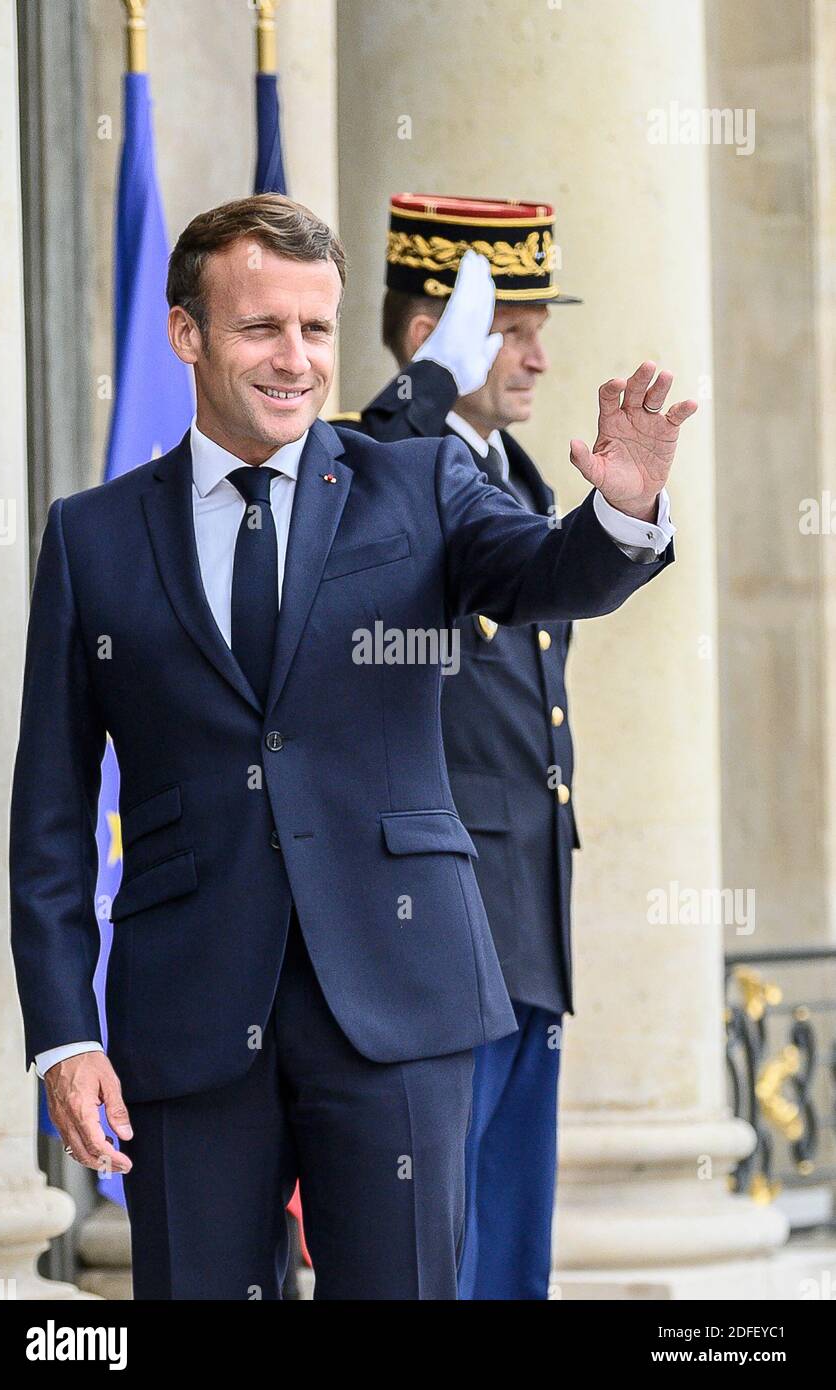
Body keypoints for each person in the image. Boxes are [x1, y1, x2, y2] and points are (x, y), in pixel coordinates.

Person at [9, 192, 695, 1301]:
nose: (295, 359)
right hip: (185, 1023)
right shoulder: (90, 536)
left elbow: (542, 573)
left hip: (398, 1001)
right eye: (259, 327)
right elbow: (49, 812)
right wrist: (61, 1037)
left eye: (316, 330)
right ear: (186, 334)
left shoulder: (415, 482)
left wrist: (617, 517)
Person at [328, 193, 676, 1299]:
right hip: (431, 928)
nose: (534, 355)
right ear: (435, 334)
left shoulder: (511, 477)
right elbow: (359, 484)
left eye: (534, 328)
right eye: (510, 328)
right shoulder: (390, 460)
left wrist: (624, 510)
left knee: (508, 1251)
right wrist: (425, 384)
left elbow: (564, 583)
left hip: (520, 918)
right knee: (438, 1244)